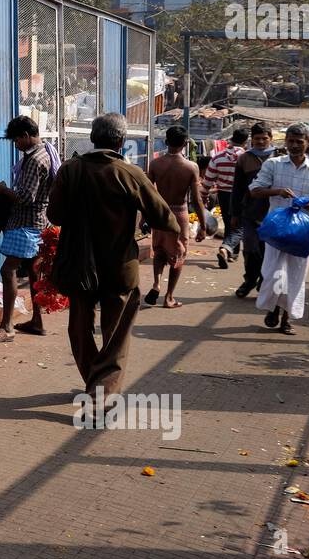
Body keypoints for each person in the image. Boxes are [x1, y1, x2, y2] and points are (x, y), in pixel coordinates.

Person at [46, 113, 179, 400]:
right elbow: (162, 216)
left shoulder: (70, 170)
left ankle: (94, 381)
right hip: (119, 266)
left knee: (79, 328)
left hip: (78, 265)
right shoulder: (130, 174)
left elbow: (54, 215)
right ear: (121, 141)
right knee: (116, 333)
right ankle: (102, 391)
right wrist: (174, 238)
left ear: (93, 138)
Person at [0, 115, 61, 342]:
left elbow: (25, 197)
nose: (16, 144)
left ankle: (7, 327)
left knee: (7, 270)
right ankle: (37, 321)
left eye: (16, 140)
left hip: (26, 223)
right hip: (40, 222)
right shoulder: (47, 152)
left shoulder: (34, 160)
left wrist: (2, 190)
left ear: (25, 135)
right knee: (33, 272)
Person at [250, 124, 309, 335]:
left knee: (296, 274)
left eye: (299, 142)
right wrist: (277, 192)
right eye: (291, 141)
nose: (294, 146)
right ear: (285, 142)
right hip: (276, 229)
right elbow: (255, 190)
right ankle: (274, 308)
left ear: (308, 143)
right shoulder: (273, 165)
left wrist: (307, 204)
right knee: (273, 273)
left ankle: (286, 318)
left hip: (302, 232)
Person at [146, 126, 208, 308]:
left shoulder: (155, 164)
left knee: (159, 250)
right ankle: (169, 297)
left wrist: (144, 217)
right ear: (185, 143)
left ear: (166, 142)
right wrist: (203, 226)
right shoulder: (191, 167)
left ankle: (156, 284)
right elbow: (196, 199)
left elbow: (148, 193)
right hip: (179, 213)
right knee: (178, 254)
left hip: (160, 212)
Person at [231, 123, 278, 299]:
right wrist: (234, 213)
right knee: (251, 249)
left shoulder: (279, 157)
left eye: (264, 138)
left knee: (268, 251)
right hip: (250, 212)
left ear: (270, 139)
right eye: (257, 138)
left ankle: (264, 282)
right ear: (252, 139)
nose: (261, 142)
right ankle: (250, 280)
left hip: (274, 213)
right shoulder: (244, 159)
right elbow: (237, 188)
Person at [206, 127, 248, 269]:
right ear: (245, 141)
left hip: (223, 194)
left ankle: (232, 253)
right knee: (241, 226)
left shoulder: (218, 157)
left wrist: (204, 194)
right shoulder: (247, 157)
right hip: (242, 195)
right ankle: (226, 249)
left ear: (231, 140)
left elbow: (208, 179)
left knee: (229, 223)